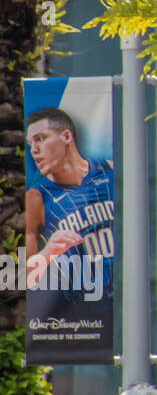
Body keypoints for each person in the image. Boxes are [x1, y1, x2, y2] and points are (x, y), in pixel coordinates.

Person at [24, 108, 115, 298]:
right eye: (30, 143)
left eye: (40, 138)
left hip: (143, 292)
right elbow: (27, 278)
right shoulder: (36, 197)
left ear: (66, 136)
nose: (34, 150)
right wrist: (48, 252)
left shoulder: (112, 170)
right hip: (89, 308)